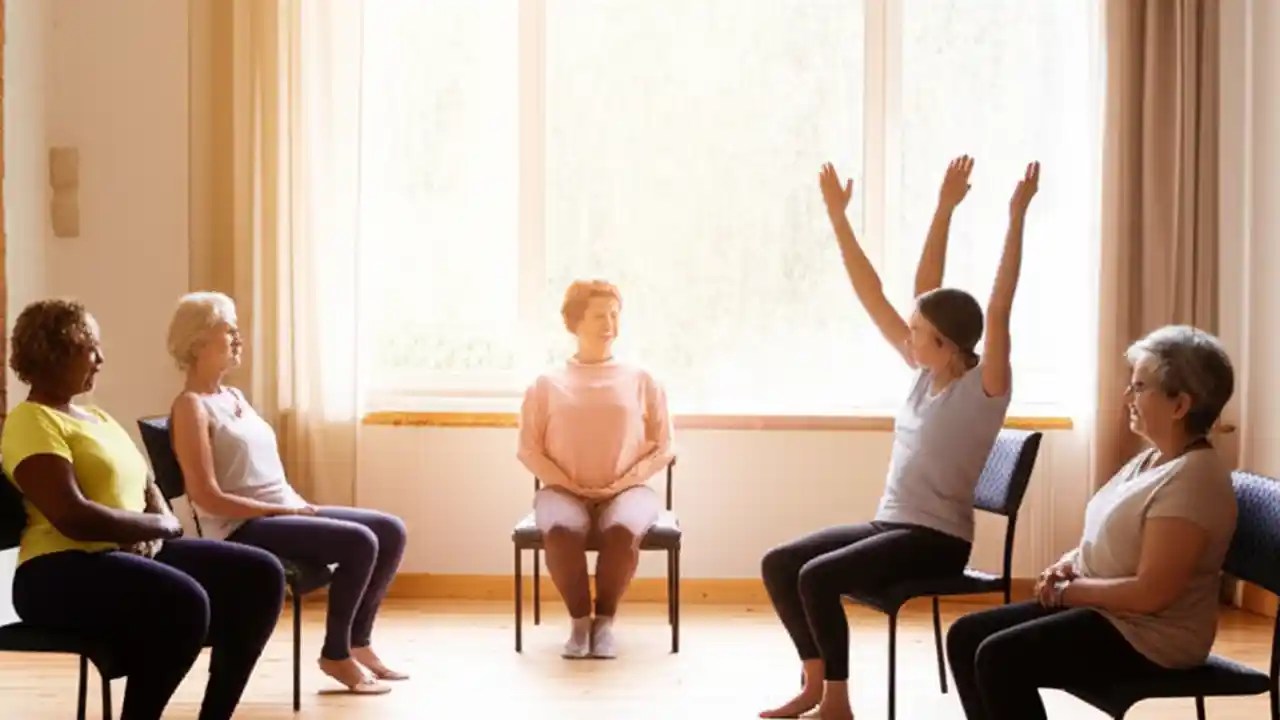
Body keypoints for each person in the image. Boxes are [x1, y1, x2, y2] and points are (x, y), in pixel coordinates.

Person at [759, 157, 1039, 720]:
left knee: (818, 576)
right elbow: (881, 292)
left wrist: (1016, 214)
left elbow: (1000, 304)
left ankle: (837, 704)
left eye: (917, 331)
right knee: (780, 563)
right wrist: (852, 218)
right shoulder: (921, 375)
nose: (906, 335)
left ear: (947, 344)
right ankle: (815, 684)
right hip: (891, 522)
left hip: (936, 538)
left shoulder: (984, 389)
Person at [2, 298, 286, 720]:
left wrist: (155, 523)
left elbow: (146, 481)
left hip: (125, 553)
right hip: (58, 572)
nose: (101, 358)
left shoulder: (94, 416)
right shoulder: (31, 421)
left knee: (260, 574)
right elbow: (72, 516)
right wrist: (159, 526)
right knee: (183, 601)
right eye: (90, 348)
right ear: (57, 351)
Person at [945, 325, 1236, 720]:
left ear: (1180, 405)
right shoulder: (1154, 459)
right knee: (966, 637)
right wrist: (1068, 565)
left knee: (1000, 658)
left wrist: (1069, 593)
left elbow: (1152, 594)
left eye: (1139, 387)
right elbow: (1110, 533)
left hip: (1151, 637)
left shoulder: (1195, 480)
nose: (1127, 397)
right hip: (1110, 615)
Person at [165, 291, 408, 695]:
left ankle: (357, 642)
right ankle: (335, 655)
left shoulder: (234, 398)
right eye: (229, 331)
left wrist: (292, 507)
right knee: (360, 541)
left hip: (280, 510)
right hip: (240, 525)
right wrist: (276, 512)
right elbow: (206, 496)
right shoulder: (190, 407)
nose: (238, 339)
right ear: (199, 341)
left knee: (390, 529)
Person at [516, 279, 674, 659]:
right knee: (561, 529)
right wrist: (568, 483)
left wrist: (624, 481)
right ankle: (579, 624)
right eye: (599, 315)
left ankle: (604, 623)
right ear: (575, 321)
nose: (610, 324)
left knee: (622, 529)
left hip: (629, 490)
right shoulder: (547, 383)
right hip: (562, 489)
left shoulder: (642, 379)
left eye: (615, 315)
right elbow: (528, 450)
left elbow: (665, 446)